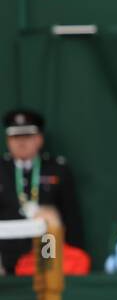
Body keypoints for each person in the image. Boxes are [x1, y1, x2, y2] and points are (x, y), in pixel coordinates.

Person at [0, 108, 84, 274]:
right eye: (16, 137)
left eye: (27, 136)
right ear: (8, 140)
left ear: (39, 139)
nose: (21, 142)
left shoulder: (57, 169)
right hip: (4, 259)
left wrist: (74, 255)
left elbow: (71, 217)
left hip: (46, 257)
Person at [11, 206, 92, 276]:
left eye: (46, 225)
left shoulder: (78, 258)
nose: (43, 231)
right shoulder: (24, 262)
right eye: (38, 227)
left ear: (61, 230)